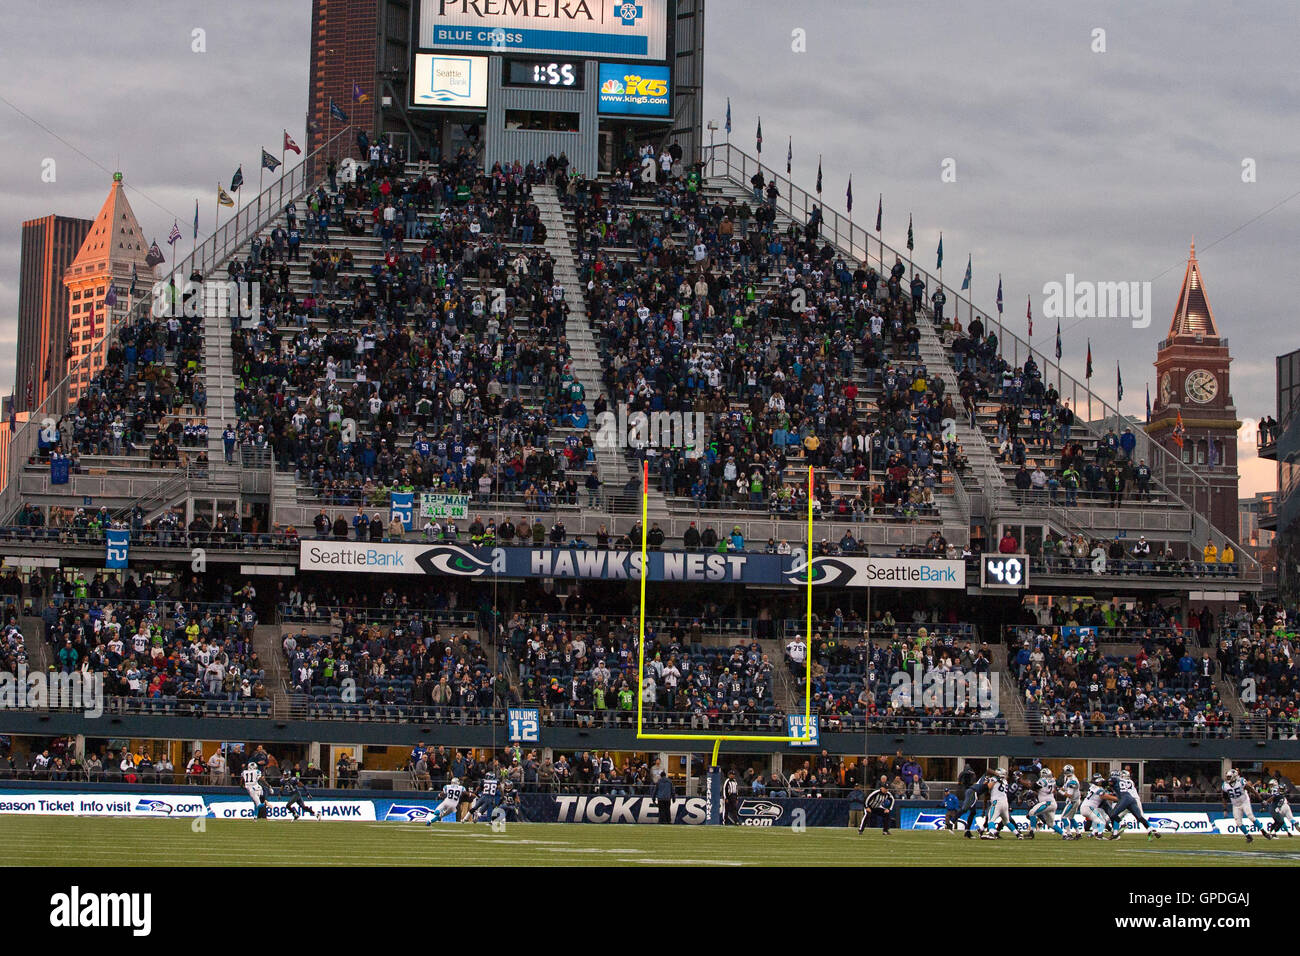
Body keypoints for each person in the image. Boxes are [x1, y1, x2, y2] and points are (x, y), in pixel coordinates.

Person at [1107, 768, 1161, 842]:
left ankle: (1117, 831)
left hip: (1125, 800)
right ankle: (1151, 830)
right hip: (1134, 800)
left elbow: (1111, 785)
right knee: (1140, 817)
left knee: (1115, 815)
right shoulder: (1130, 781)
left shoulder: (1117, 780)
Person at [1221, 768, 1274, 843]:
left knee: (1250, 816)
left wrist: (1261, 799)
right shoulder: (1225, 785)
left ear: (1234, 776)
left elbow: (1251, 790)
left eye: (1229, 777)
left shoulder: (1241, 782)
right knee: (1238, 822)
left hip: (1244, 802)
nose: (1228, 778)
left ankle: (1264, 833)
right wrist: (1225, 809)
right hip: (1235, 805)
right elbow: (1224, 797)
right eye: (1227, 777)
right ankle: (1248, 836)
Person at [1023, 767, 1057, 838]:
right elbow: (1053, 790)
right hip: (1052, 802)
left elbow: (1033, 786)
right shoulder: (1053, 780)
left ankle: (1032, 832)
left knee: (1032, 812)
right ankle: (1065, 834)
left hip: (1047, 803)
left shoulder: (1042, 780)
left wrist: (1028, 785)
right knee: (1050, 823)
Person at [1056, 764, 1082, 839]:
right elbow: (1065, 787)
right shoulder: (1069, 778)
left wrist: (1060, 791)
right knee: (1071, 817)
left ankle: (1068, 833)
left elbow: (1069, 795)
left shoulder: (1072, 781)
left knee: (1063, 817)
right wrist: (1061, 789)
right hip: (1075, 800)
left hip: (1072, 801)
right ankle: (1078, 833)